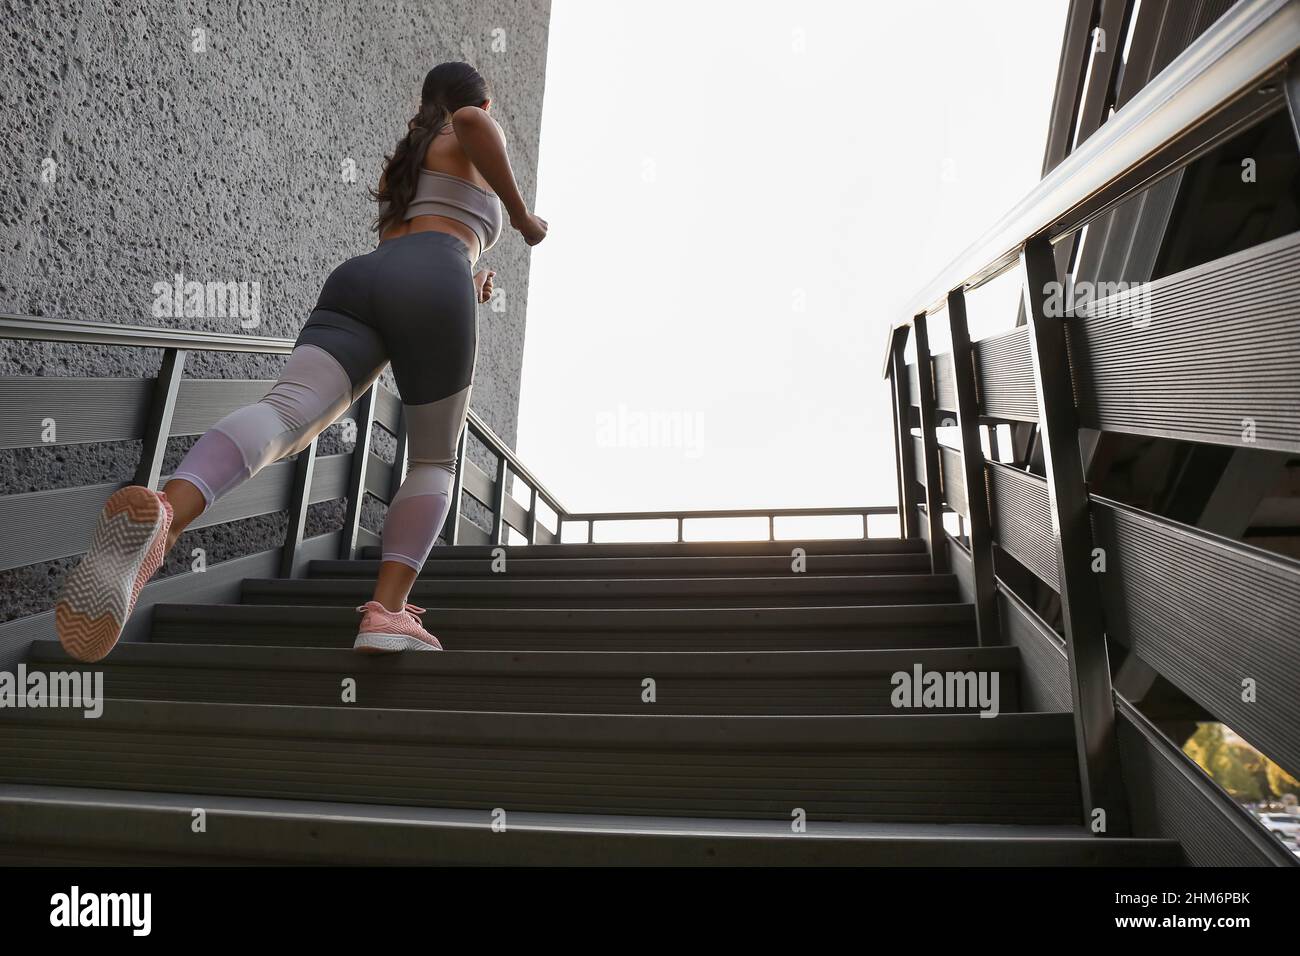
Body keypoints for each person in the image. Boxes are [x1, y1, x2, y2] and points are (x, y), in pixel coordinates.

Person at [55, 61, 547, 663]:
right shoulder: (466, 124)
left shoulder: (412, 157)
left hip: (364, 281)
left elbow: (416, 244)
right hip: (434, 275)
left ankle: (166, 513)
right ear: (478, 102)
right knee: (434, 459)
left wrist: (465, 283)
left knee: (283, 414)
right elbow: (471, 123)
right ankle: (387, 613)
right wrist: (522, 220)